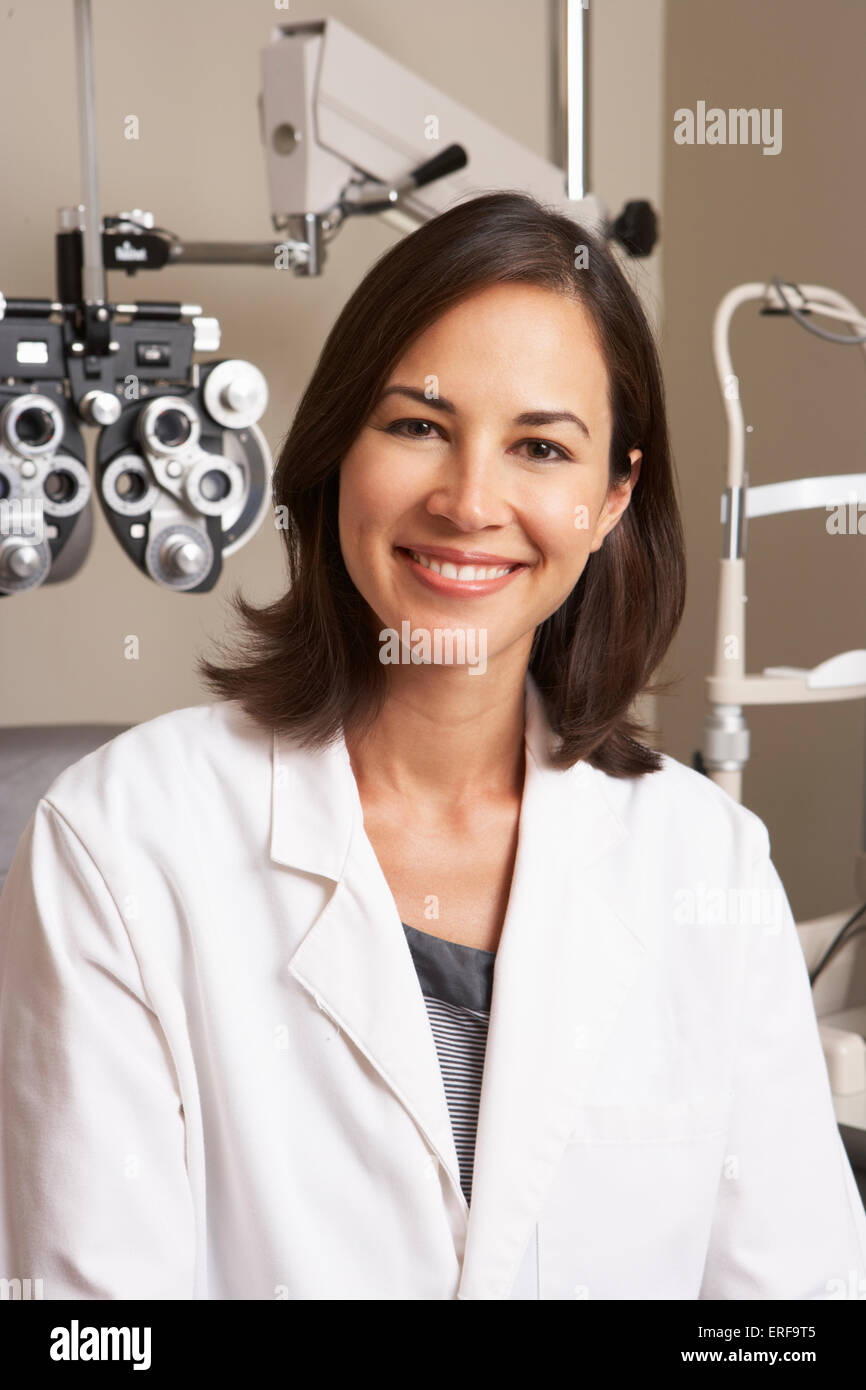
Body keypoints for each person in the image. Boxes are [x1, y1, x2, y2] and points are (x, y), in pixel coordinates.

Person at [1, 191, 864, 1300]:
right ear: (335, 451)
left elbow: (785, 1307)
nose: (468, 501)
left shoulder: (707, 867)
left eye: (540, 446)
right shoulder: (122, 843)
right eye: (415, 424)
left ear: (610, 499)